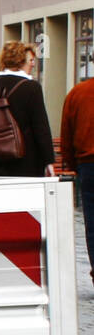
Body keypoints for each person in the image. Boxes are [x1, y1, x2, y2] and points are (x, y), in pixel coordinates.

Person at [0, 41, 56, 178]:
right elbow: (41, 128)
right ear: (20, 61)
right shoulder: (31, 87)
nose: (33, 64)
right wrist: (49, 162)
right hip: (25, 164)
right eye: (30, 60)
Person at [60, 74, 94, 284]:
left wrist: (74, 165)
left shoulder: (77, 93)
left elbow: (66, 134)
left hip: (87, 165)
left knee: (92, 222)